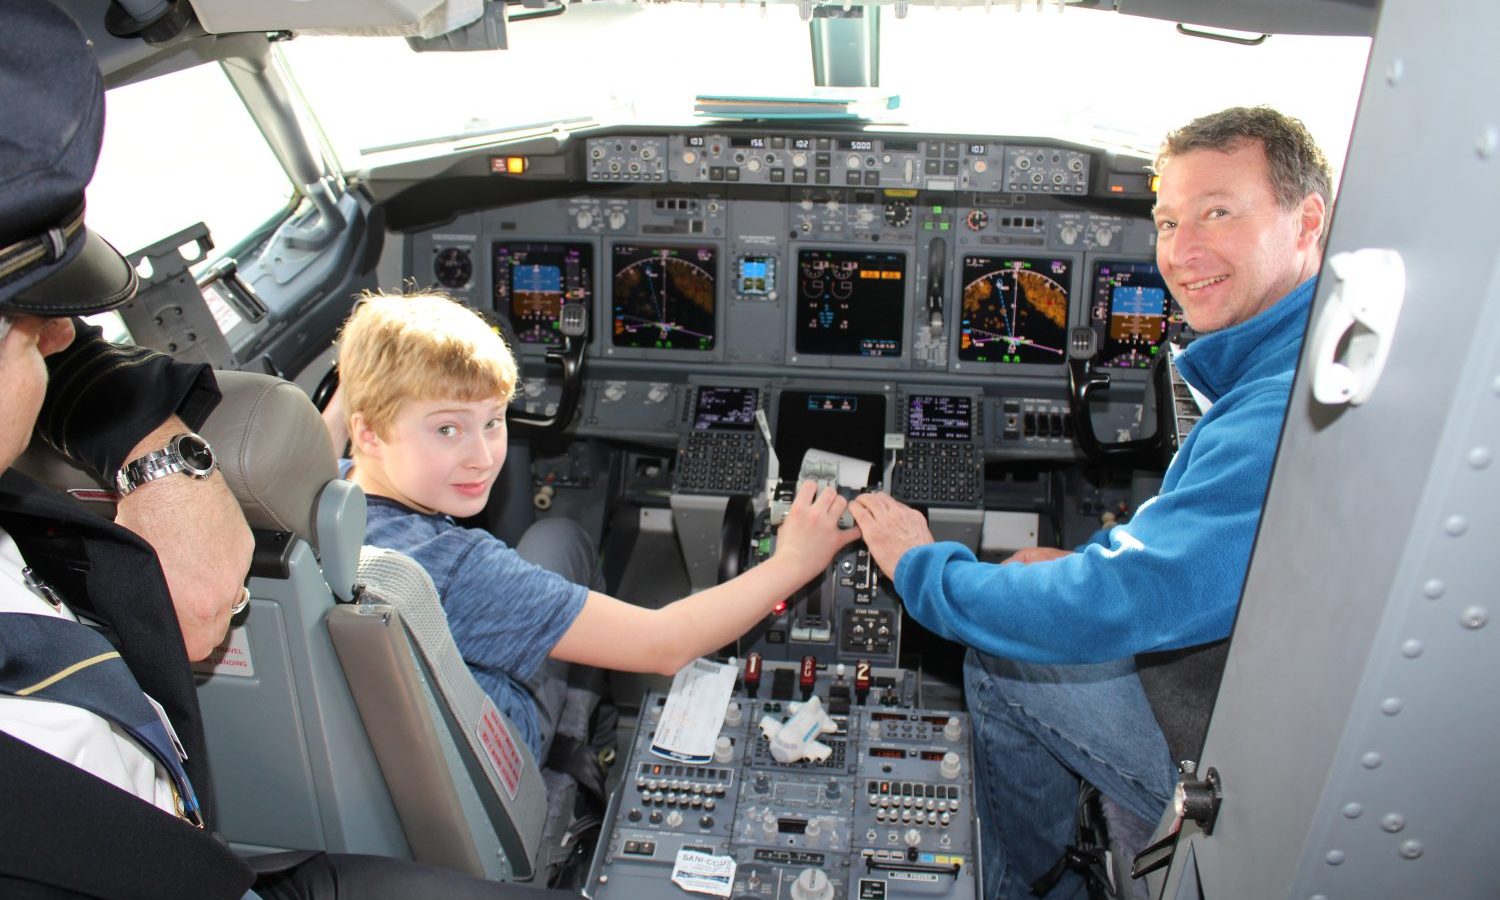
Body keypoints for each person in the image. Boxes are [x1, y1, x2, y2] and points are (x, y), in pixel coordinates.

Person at [0, 5, 579, 898]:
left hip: (239, 842)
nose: (56, 338)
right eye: (25, 322)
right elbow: (662, 642)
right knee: (562, 538)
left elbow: (300, 456)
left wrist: (155, 436)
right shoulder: (450, 569)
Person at [848, 106, 1330, 899]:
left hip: (1237, 766)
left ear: (1307, 221)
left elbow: (1132, 596)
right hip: (1254, 695)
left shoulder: (1279, 408)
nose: (1182, 252)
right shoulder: (1301, 365)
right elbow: (1190, 552)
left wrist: (922, 569)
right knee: (1035, 582)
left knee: (1002, 659)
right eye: (1168, 222)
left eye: (1218, 213)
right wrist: (1082, 565)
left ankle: (1033, 888)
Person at [332, 292, 861, 761]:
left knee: (557, 537)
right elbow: (663, 644)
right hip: (493, 744)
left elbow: (303, 437)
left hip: (389, 739)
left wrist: (367, 364)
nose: (482, 457)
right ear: (370, 432)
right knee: (563, 540)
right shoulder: (461, 570)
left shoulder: (311, 493)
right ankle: (575, 743)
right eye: (447, 429)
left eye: (492, 421)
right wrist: (796, 560)